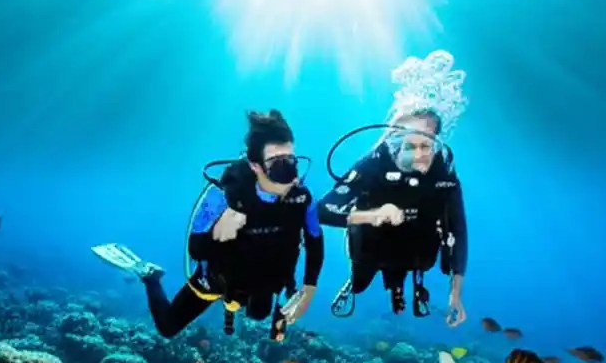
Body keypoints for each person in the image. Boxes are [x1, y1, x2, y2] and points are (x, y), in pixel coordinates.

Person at [92, 110, 324, 339]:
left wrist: (309, 288)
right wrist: (216, 232)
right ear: (255, 166)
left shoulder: (303, 200)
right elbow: (195, 249)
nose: (289, 172)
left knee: (259, 313)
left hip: (266, 278)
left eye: (291, 160)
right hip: (217, 278)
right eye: (276, 163)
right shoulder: (222, 196)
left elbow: (315, 241)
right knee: (167, 327)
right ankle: (150, 276)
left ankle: (250, 303)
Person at [317, 107, 468, 326]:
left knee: (405, 270)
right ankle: (357, 282)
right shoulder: (374, 163)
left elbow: (458, 230)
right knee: (360, 283)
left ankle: (397, 288)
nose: (418, 155)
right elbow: (322, 210)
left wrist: (455, 294)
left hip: (414, 251)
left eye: (426, 146)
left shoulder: (443, 174)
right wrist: (372, 215)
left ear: (436, 144)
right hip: (371, 245)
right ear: (397, 141)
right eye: (410, 146)